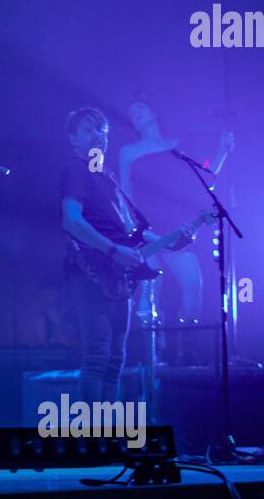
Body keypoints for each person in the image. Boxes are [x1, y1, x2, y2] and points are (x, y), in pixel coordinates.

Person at [59, 107, 194, 405]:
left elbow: (131, 230)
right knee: (97, 356)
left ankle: (109, 436)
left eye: (102, 130)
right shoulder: (76, 170)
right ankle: (95, 440)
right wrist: (110, 249)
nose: (98, 135)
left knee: (114, 359)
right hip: (91, 273)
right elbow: (71, 220)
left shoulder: (108, 178)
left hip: (117, 276)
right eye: (88, 130)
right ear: (74, 139)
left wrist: (170, 242)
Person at [117, 99, 232, 329]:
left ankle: (182, 346)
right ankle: (150, 352)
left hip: (174, 226)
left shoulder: (176, 147)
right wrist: (132, 227)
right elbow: (124, 193)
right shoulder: (128, 151)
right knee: (152, 285)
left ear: (154, 112)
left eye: (140, 108)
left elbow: (204, 179)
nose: (135, 113)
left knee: (193, 285)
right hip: (145, 228)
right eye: (131, 112)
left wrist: (223, 151)